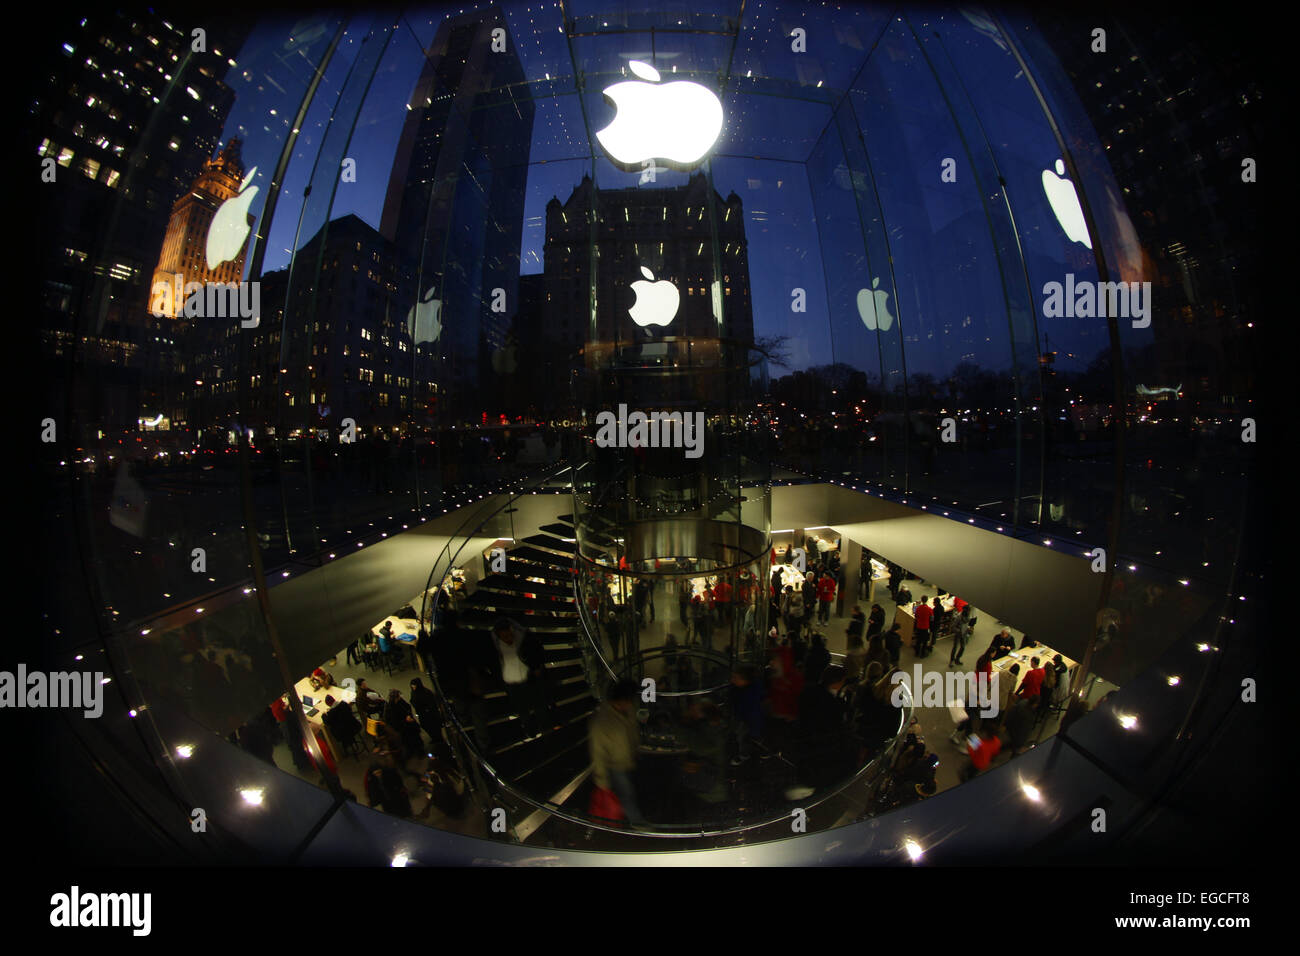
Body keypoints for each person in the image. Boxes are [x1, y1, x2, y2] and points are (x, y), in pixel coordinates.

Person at [785, 665, 852, 799]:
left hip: (802, 737)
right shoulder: (833, 703)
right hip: (819, 744)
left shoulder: (808, 689)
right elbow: (837, 724)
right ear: (837, 682)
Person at [589, 679, 644, 824]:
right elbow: (598, 753)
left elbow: (632, 730)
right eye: (629, 700)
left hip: (630, 759)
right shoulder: (602, 721)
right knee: (627, 794)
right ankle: (637, 823)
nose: (632, 704)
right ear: (621, 700)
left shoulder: (628, 709)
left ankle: (633, 818)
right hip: (616, 766)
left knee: (630, 791)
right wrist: (602, 781)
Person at [492, 617, 552, 741]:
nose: (508, 638)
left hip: (528, 678)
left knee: (538, 705)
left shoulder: (524, 638)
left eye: (509, 634)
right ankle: (530, 731)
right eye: (504, 636)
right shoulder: (496, 645)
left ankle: (544, 728)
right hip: (511, 683)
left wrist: (536, 667)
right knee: (522, 709)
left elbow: (537, 650)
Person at [729, 664, 765, 766]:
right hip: (742, 718)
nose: (732, 680)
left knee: (743, 738)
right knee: (741, 736)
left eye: (736, 678)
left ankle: (744, 755)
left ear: (745, 680)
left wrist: (754, 732)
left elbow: (754, 715)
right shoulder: (742, 689)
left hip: (747, 721)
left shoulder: (751, 696)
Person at [384, 688, 425, 761]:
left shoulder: (400, 701)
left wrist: (409, 715)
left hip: (409, 725)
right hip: (402, 728)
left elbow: (408, 706)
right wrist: (405, 720)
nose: (400, 698)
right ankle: (411, 751)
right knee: (407, 741)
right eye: (398, 697)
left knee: (416, 738)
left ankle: (420, 751)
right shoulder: (389, 708)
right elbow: (392, 721)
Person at [409, 677, 441, 741]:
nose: (413, 687)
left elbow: (432, 703)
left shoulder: (426, 692)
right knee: (425, 726)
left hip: (429, 714)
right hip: (421, 713)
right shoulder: (414, 692)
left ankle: (438, 738)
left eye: (414, 685)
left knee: (433, 726)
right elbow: (413, 700)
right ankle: (434, 737)